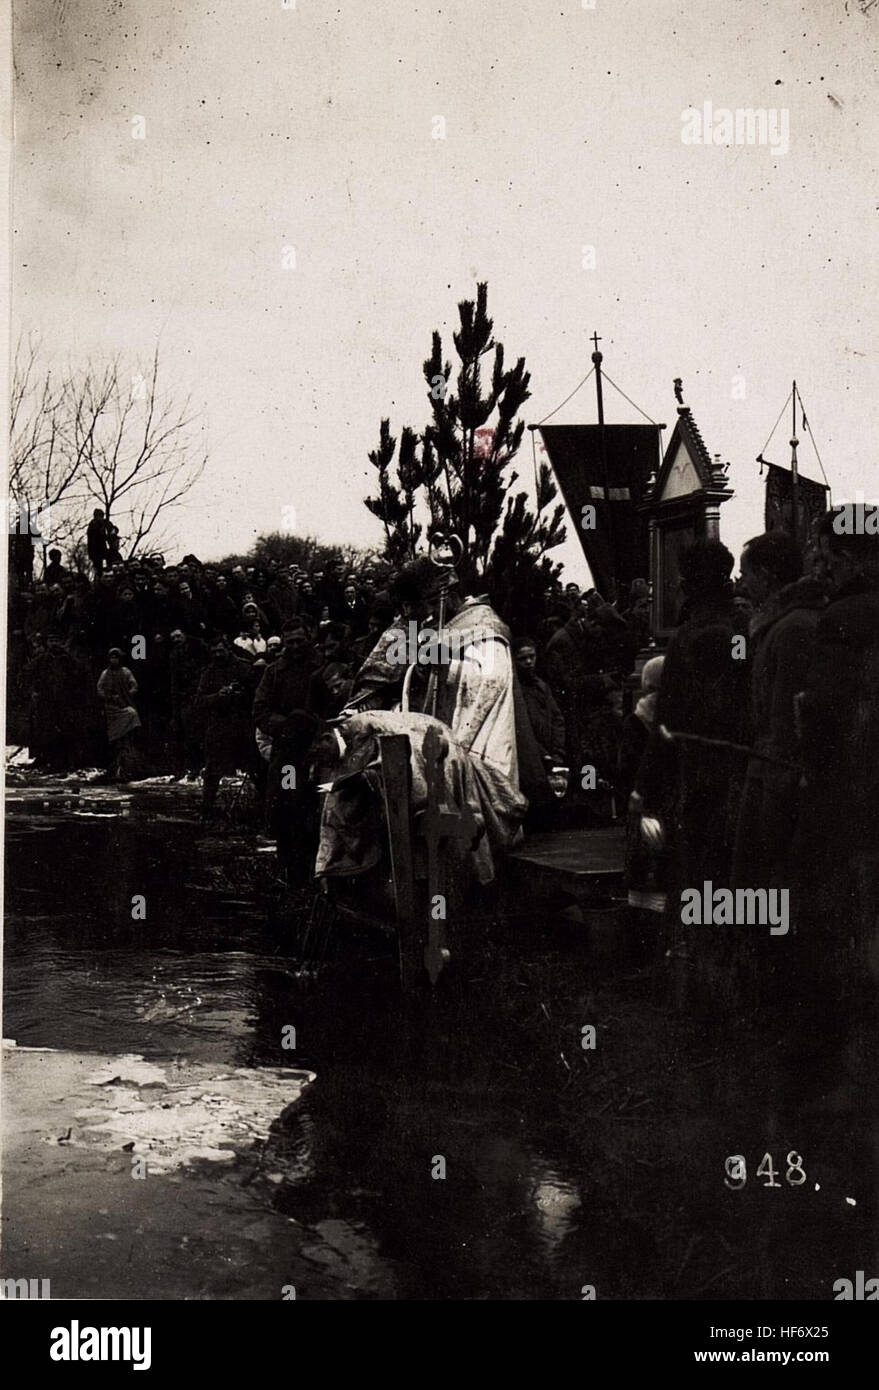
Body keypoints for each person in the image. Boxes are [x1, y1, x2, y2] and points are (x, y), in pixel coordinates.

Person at [253, 626, 321, 870]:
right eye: (290, 641)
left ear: (307, 640)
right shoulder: (273, 673)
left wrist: (311, 722)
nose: (295, 646)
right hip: (289, 753)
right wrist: (287, 725)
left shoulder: (320, 668)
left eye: (299, 641)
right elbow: (260, 710)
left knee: (315, 807)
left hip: (319, 750)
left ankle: (315, 869)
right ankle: (288, 867)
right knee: (288, 803)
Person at [196, 636, 258, 818]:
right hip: (219, 727)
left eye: (220, 650)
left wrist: (241, 694)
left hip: (242, 725)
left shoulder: (244, 667)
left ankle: (262, 810)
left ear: (228, 649)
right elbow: (199, 700)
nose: (217, 654)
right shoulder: (209, 672)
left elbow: (257, 695)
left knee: (254, 768)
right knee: (213, 772)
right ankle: (206, 811)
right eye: (214, 651)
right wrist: (218, 696)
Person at [513, 637, 566, 770]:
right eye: (522, 659)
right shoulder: (514, 691)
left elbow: (557, 719)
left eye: (532, 656)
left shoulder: (542, 687)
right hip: (530, 756)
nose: (529, 662)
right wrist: (541, 753)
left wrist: (557, 752)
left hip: (551, 754)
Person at [97, 647, 142, 780]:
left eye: (116, 657)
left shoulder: (125, 671)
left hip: (124, 705)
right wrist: (109, 697)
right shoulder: (105, 673)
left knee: (132, 714)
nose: (114, 660)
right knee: (116, 738)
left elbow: (134, 685)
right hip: (111, 708)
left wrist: (127, 694)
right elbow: (99, 689)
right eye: (112, 657)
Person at [86, 509, 108, 578]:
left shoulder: (99, 524)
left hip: (100, 551)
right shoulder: (94, 526)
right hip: (96, 552)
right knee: (98, 571)